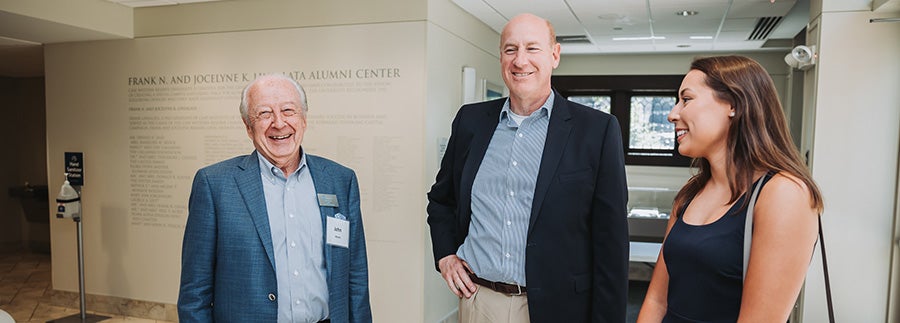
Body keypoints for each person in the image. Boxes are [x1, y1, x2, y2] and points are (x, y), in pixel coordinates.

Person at [427, 13, 629, 323]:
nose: (521, 60)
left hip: (559, 308)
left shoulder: (596, 130)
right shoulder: (470, 122)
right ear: (501, 57)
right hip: (479, 301)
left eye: (532, 48)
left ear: (555, 55)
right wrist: (445, 256)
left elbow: (611, 244)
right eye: (511, 49)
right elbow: (442, 200)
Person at [637, 55, 824, 322]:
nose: (672, 114)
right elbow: (657, 300)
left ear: (733, 104)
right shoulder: (690, 194)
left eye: (686, 99)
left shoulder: (784, 193)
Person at [178, 74, 372, 323]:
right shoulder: (214, 185)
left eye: (288, 111)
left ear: (303, 119)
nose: (279, 123)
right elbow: (195, 292)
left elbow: (355, 276)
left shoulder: (340, 180)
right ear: (248, 126)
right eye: (265, 114)